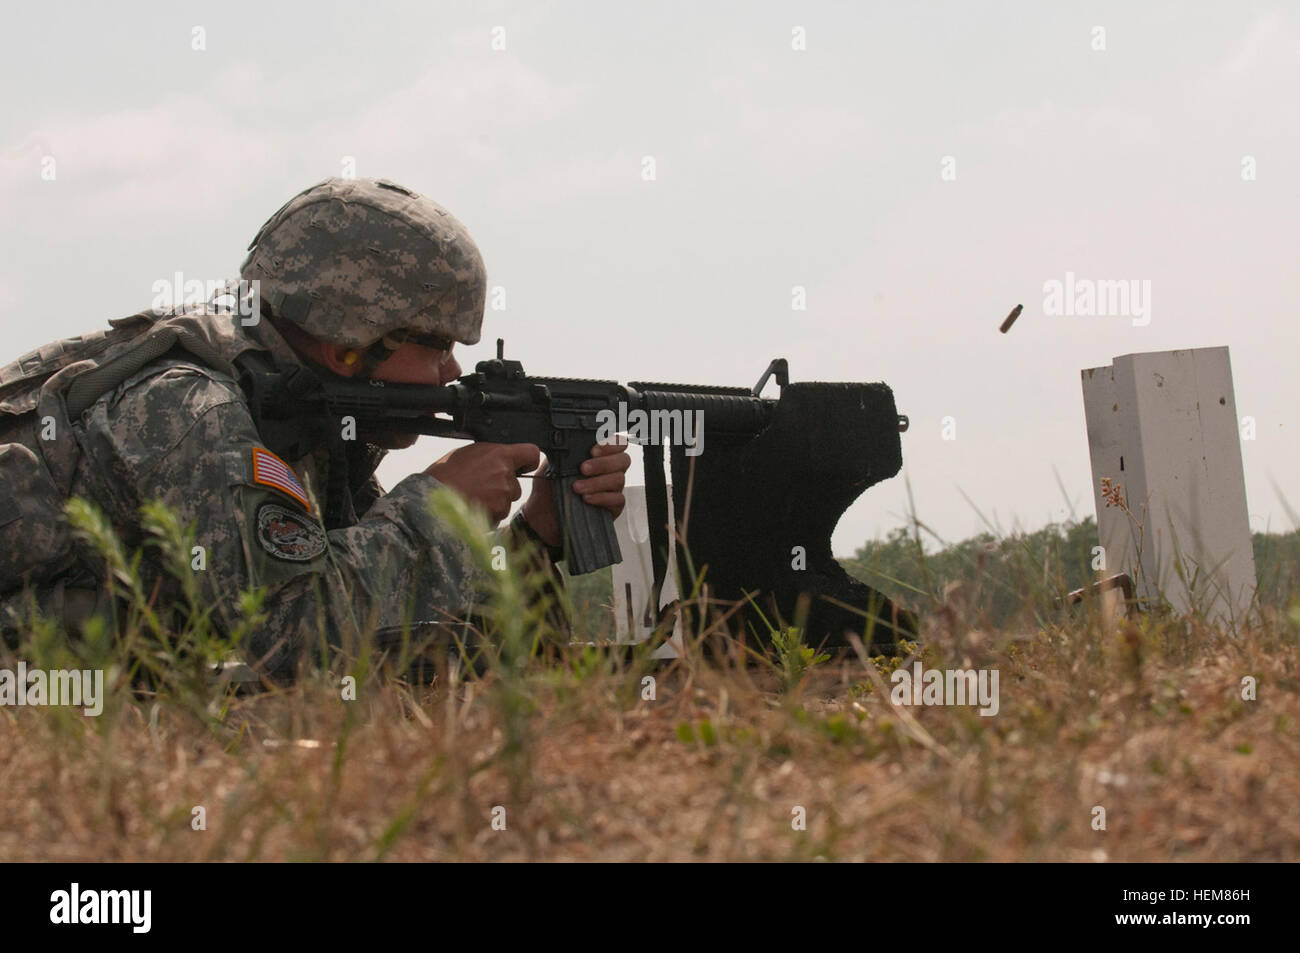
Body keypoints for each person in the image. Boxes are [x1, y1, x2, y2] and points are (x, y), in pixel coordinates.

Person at [0, 177, 630, 679]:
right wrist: (440, 508)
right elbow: (290, 635)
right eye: (436, 345)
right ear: (350, 345)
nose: (452, 370)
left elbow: (390, 619)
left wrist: (538, 535)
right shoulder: (193, 409)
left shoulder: (304, 412)